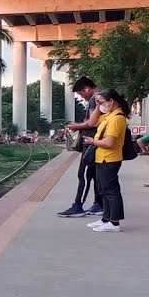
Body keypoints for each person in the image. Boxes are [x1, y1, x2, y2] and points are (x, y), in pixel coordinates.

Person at [57, 77, 104, 218]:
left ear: (87, 88)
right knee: (95, 175)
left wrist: (76, 126)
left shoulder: (94, 99)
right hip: (96, 141)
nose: (81, 97)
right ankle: (98, 204)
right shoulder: (102, 97)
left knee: (84, 174)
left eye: (81, 93)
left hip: (91, 142)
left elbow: (93, 123)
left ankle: (78, 206)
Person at [84, 89, 130, 233]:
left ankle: (114, 222)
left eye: (102, 102)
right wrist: (98, 106)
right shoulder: (109, 115)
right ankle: (106, 218)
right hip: (102, 158)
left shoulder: (117, 118)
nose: (100, 105)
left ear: (111, 101)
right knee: (103, 190)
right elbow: (92, 122)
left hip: (109, 159)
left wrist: (93, 141)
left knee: (111, 191)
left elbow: (109, 142)